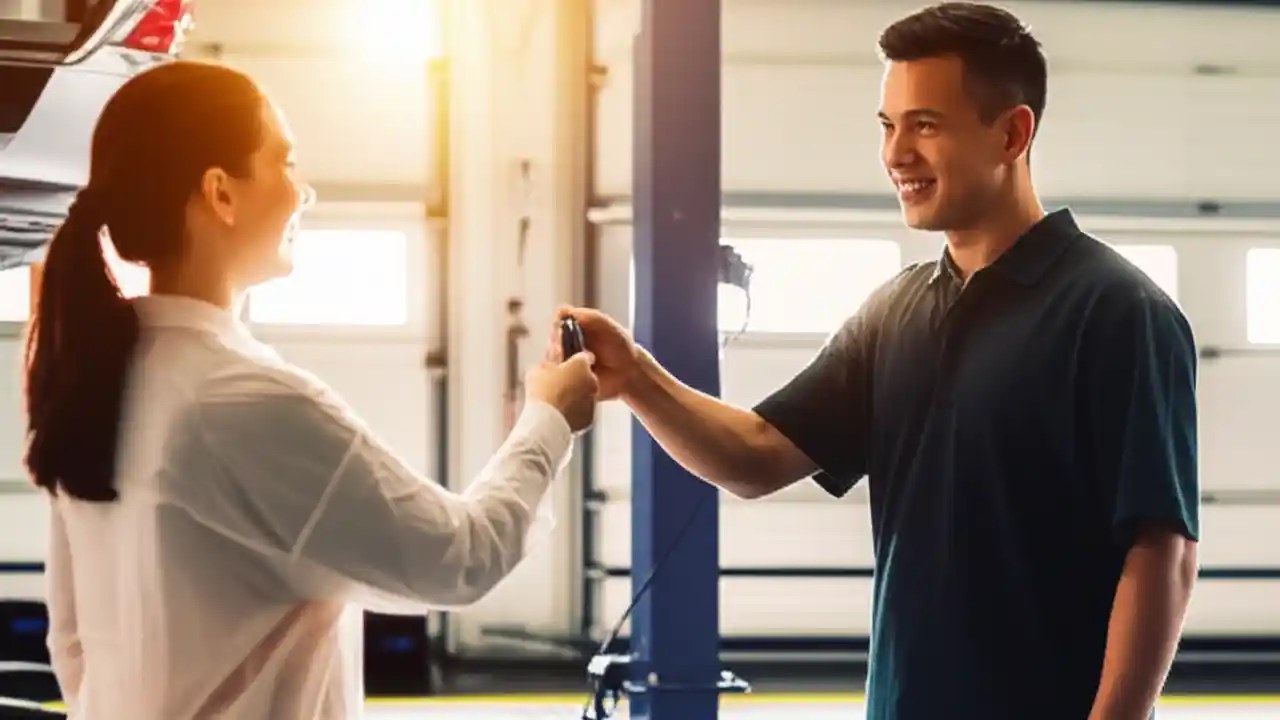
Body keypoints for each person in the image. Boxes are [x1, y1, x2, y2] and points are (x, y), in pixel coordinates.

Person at [555, 3, 1199, 719]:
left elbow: (1160, 548)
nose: (896, 155)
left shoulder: (1116, 312)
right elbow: (757, 455)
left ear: (1013, 133)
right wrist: (636, 376)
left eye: (925, 124)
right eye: (888, 127)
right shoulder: (894, 313)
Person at [27, 60, 599, 719]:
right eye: (285, 162)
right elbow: (461, 558)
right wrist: (549, 418)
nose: (304, 192)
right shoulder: (244, 403)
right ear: (221, 193)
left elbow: (72, 642)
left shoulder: (105, 380)